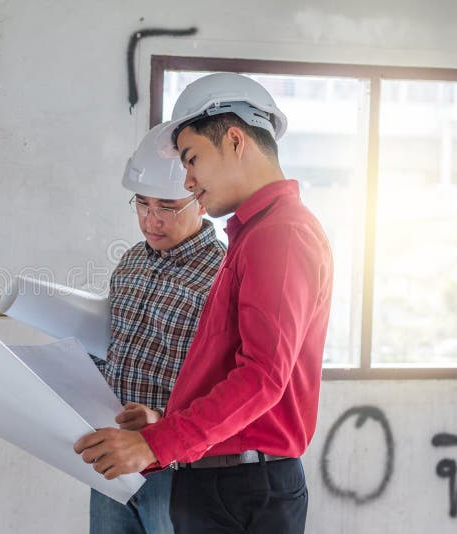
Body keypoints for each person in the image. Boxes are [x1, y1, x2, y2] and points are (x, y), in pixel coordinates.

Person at [75, 73, 334, 534]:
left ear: (235, 140)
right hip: (221, 477)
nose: (189, 180)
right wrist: (165, 422)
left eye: (192, 160)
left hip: (242, 486)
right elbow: (227, 367)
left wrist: (158, 442)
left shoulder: (280, 235)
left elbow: (261, 377)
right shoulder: (256, 233)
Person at [89, 123, 225, 533]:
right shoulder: (132, 261)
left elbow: (233, 387)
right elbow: (111, 349)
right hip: (113, 459)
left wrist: (163, 419)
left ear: (200, 201)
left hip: (180, 471)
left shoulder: (223, 276)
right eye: (142, 204)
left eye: (167, 206)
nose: (151, 220)